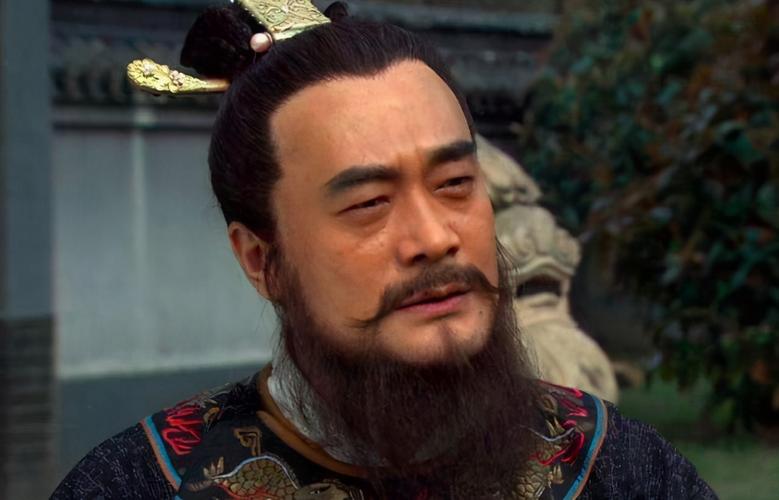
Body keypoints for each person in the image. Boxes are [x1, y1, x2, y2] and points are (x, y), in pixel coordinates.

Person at [51, 1, 717, 498]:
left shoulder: (616, 468)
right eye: (369, 203)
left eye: (455, 185)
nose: (434, 238)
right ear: (260, 259)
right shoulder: (145, 483)